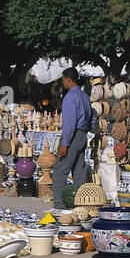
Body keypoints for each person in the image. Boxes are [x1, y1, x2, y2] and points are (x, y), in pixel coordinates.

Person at [50, 68, 92, 209]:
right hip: (82, 135)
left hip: (72, 136)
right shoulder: (85, 97)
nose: (63, 83)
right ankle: (80, 205)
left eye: (63, 80)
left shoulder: (70, 97)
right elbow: (92, 120)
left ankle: (60, 206)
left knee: (60, 172)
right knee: (79, 172)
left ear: (68, 79)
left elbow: (69, 124)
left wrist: (65, 144)